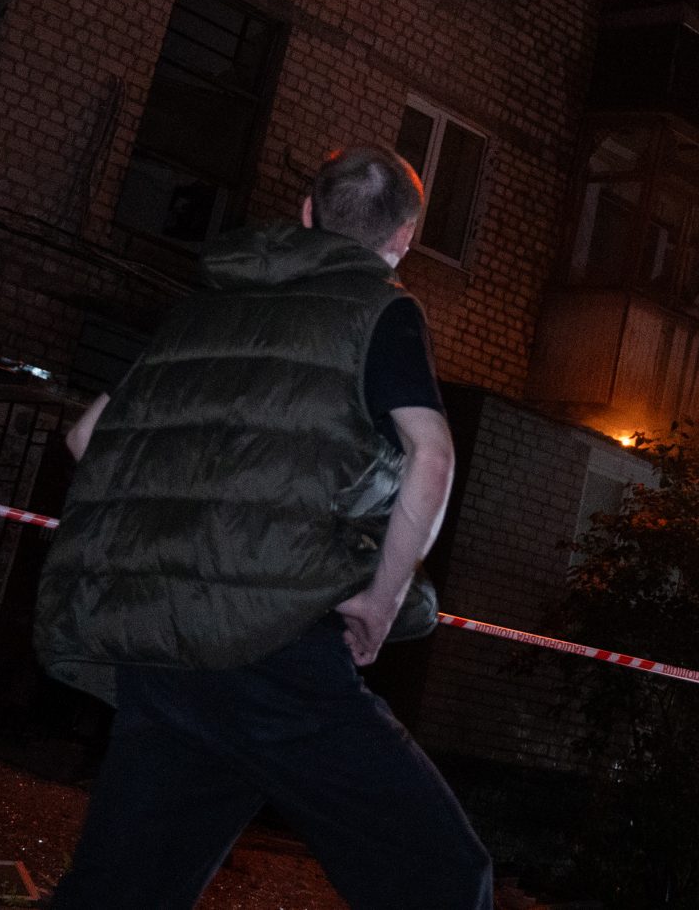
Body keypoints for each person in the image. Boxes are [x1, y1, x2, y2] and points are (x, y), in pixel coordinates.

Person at [34, 147, 491, 910]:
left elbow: (86, 438)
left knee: (118, 892)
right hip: (274, 655)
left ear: (307, 213)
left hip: (167, 659)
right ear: (404, 237)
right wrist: (382, 601)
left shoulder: (205, 307)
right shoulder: (379, 310)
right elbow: (431, 455)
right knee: (441, 877)